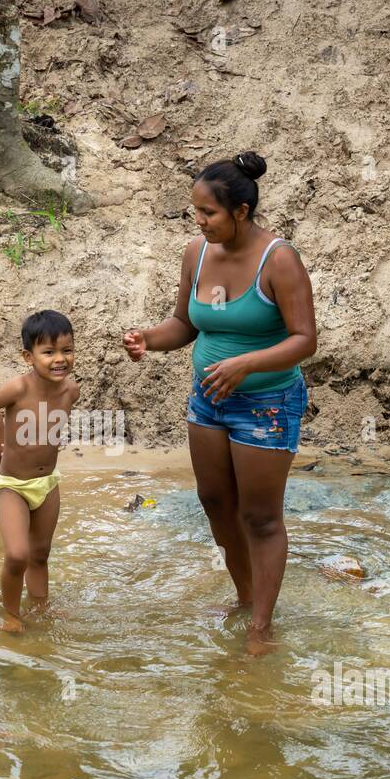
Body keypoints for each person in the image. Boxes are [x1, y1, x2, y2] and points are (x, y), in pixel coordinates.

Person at [123, 151, 317, 654]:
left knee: (261, 517)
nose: (199, 221)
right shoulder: (196, 253)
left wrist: (247, 365)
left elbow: (304, 339)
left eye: (208, 213)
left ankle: (262, 626)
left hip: (268, 402)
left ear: (241, 212)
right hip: (208, 401)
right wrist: (149, 338)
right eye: (196, 212)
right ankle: (245, 595)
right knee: (215, 504)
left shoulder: (280, 259)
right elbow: (185, 324)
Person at [0, 310, 80, 632]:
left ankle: (41, 607)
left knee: (40, 555)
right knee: (16, 555)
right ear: (29, 356)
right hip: (13, 484)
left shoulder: (71, 391)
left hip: (48, 483)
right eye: (49, 352)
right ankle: (11, 614)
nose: (60, 359)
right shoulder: (17, 389)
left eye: (67, 350)